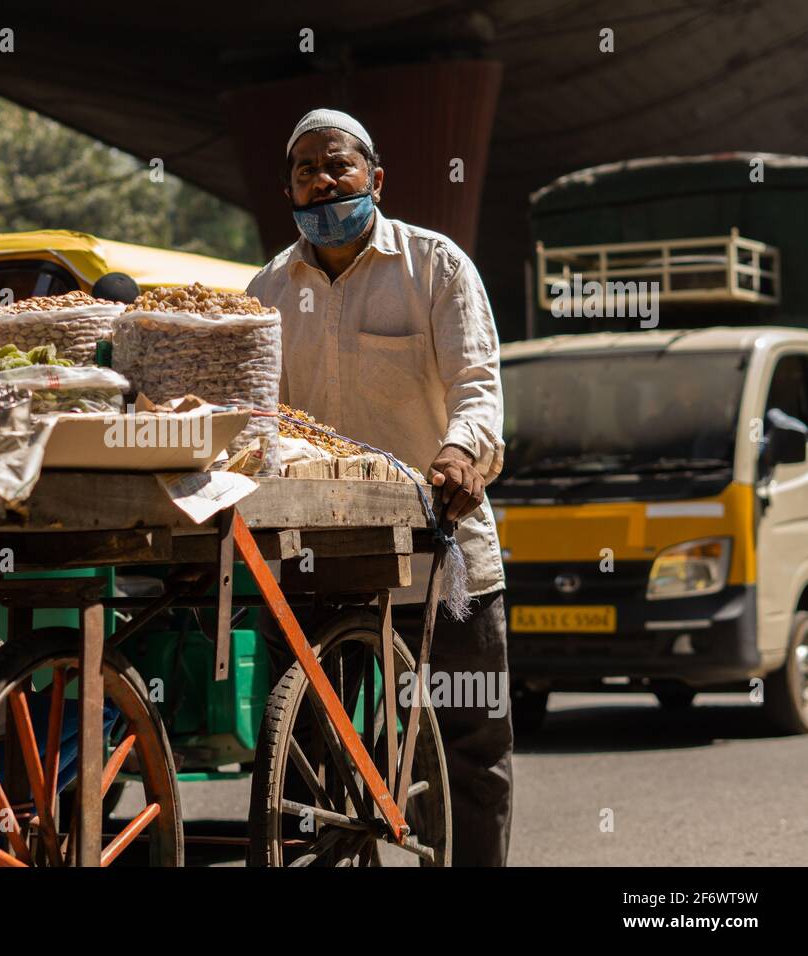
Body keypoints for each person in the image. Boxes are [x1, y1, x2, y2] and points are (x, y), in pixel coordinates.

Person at [246, 108, 512, 866]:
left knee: (468, 751)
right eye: (306, 171)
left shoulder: (436, 266)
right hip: (316, 551)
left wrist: (462, 452)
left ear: (377, 178)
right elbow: (258, 415)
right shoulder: (268, 286)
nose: (324, 181)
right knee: (302, 752)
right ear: (288, 190)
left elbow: (478, 388)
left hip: (440, 549)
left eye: (339, 166)